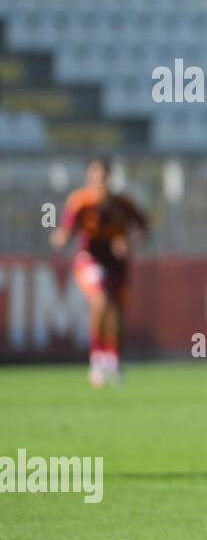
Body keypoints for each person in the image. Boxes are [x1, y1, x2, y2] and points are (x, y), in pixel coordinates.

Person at [49, 157, 149, 387]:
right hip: (89, 259)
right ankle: (96, 360)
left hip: (117, 264)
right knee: (100, 301)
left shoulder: (123, 203)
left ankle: (112, 361)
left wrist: (129, 243)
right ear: (89, 176)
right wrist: (60, 237)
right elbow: (68, 230)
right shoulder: (80, 201)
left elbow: (143, 229)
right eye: (95, 175)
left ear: (109, 177)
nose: (99, 180)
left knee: (117, 312)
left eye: (103, 176)